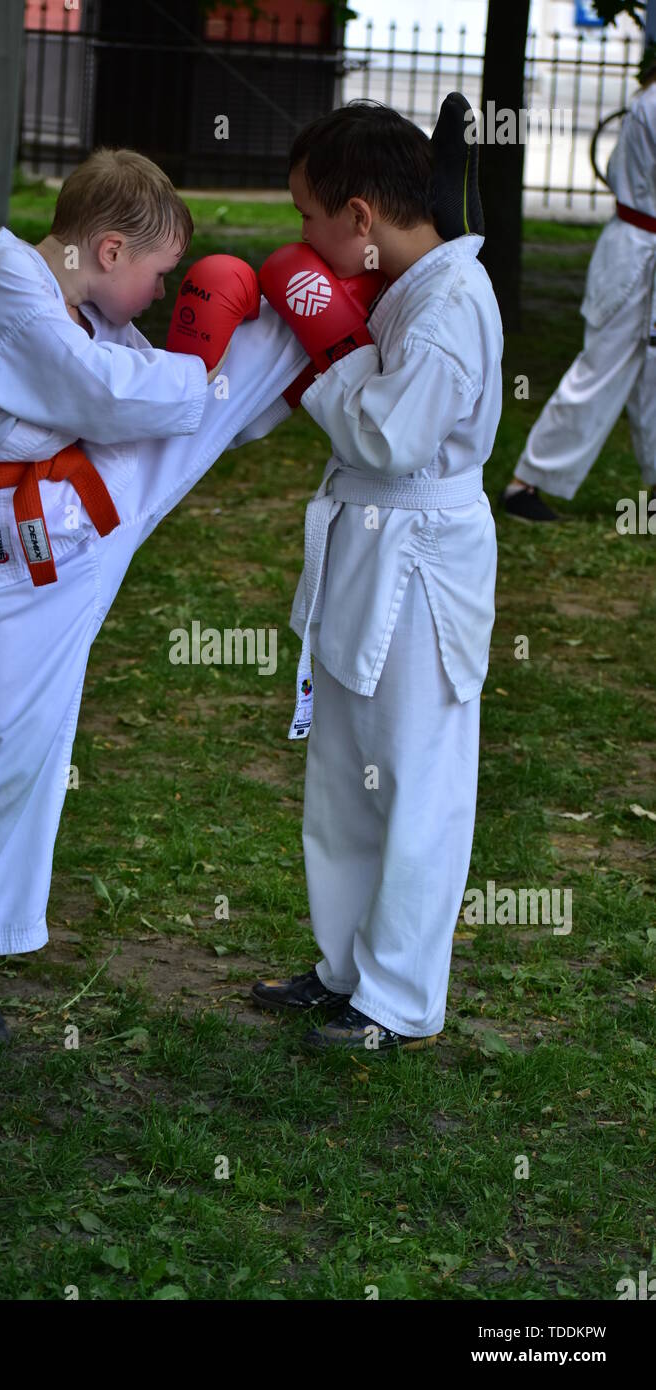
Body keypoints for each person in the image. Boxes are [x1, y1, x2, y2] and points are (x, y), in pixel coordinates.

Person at [0, 147, 309, 1042]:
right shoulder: (5, 287)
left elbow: (162, 405)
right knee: (7, 749)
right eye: (162, 275)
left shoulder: (82, 301)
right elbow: (118, 394)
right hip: (11, 558)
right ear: (114, 249)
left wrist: (228, 360)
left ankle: (327, 312)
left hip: (78, 514)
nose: (163, 297)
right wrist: (202, 356)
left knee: (204, 400)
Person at [251, 96, 504, 1054]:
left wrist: (332, 352)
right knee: (345, 772)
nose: (303, 240)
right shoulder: (406, 287)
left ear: (360, 215)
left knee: (415, 776)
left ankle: (398, 1000)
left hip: (423, 557)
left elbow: (394, 438)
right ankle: (344, 969)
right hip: (367, 542)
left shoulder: (448, 305)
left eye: (310, 217)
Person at [499, 65, 656, 522]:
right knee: (601, 368)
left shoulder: (646, 103)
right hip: (636, 260)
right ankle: (526, 482)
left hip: (634, 251)